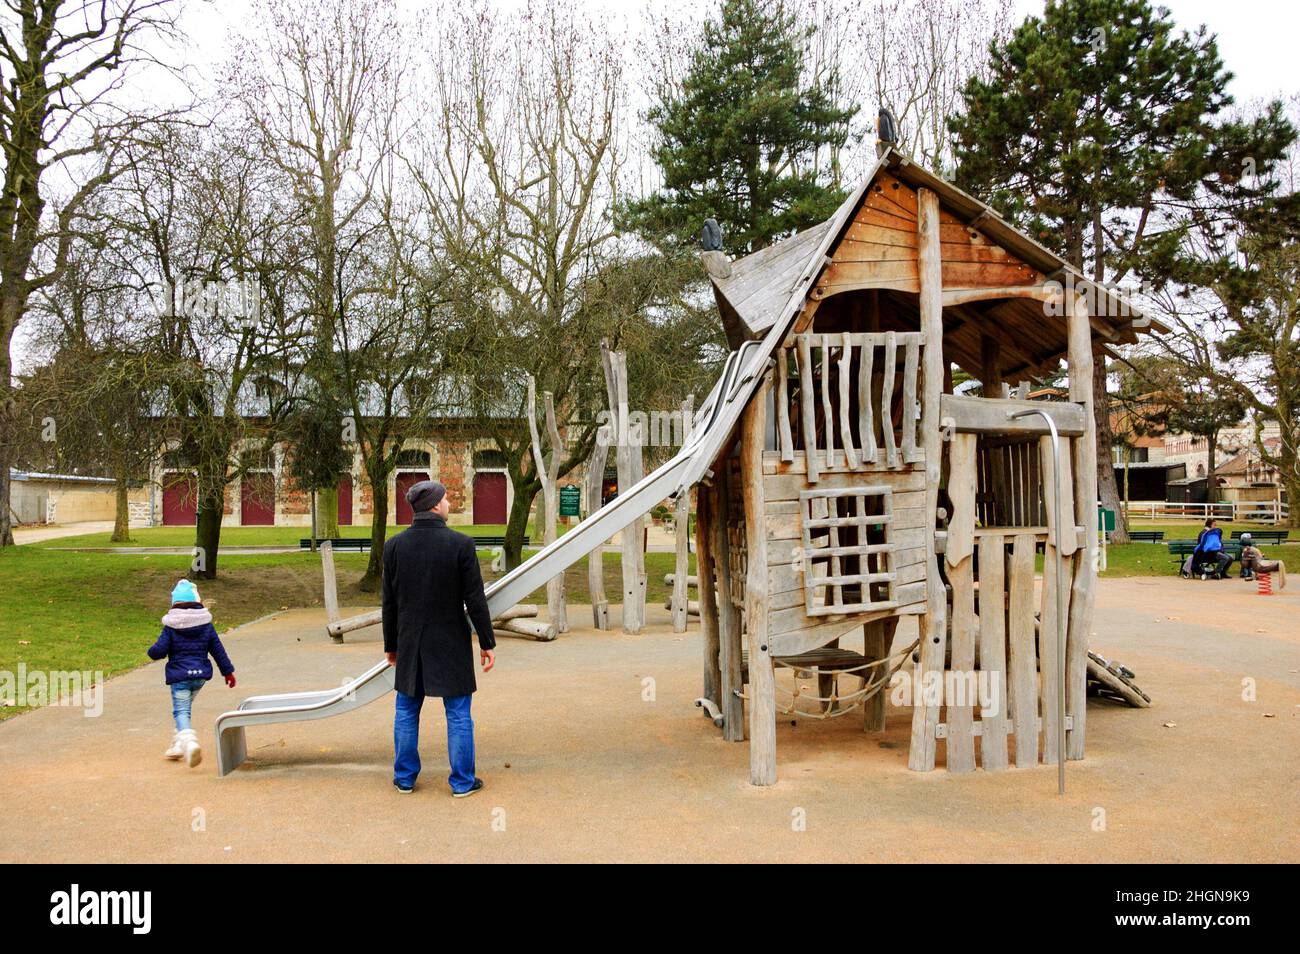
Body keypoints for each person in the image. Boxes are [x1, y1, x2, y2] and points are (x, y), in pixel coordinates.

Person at [383, 479, 496, 796]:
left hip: (411, 642)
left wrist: (391, 646)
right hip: (450, 643)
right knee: (458, 713)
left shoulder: (394, 546)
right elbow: (475, 600)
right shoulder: (460, 544)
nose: (449, 504)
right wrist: (487, 642)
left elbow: (389, 602)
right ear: (434, 505)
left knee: (405, 711)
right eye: (446, 500)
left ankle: (404, 778)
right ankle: (462, 782)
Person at [146, 579, 237, 767]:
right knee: (184, 709)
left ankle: (189, 742)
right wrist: (228, 672)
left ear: (174, 603)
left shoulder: (171, 626)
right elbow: (217, 650)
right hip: (200, 677)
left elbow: (159, 651)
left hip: (180, 677)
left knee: (181, 710)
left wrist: (151, 652)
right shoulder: (206, 624)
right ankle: (177, 745)